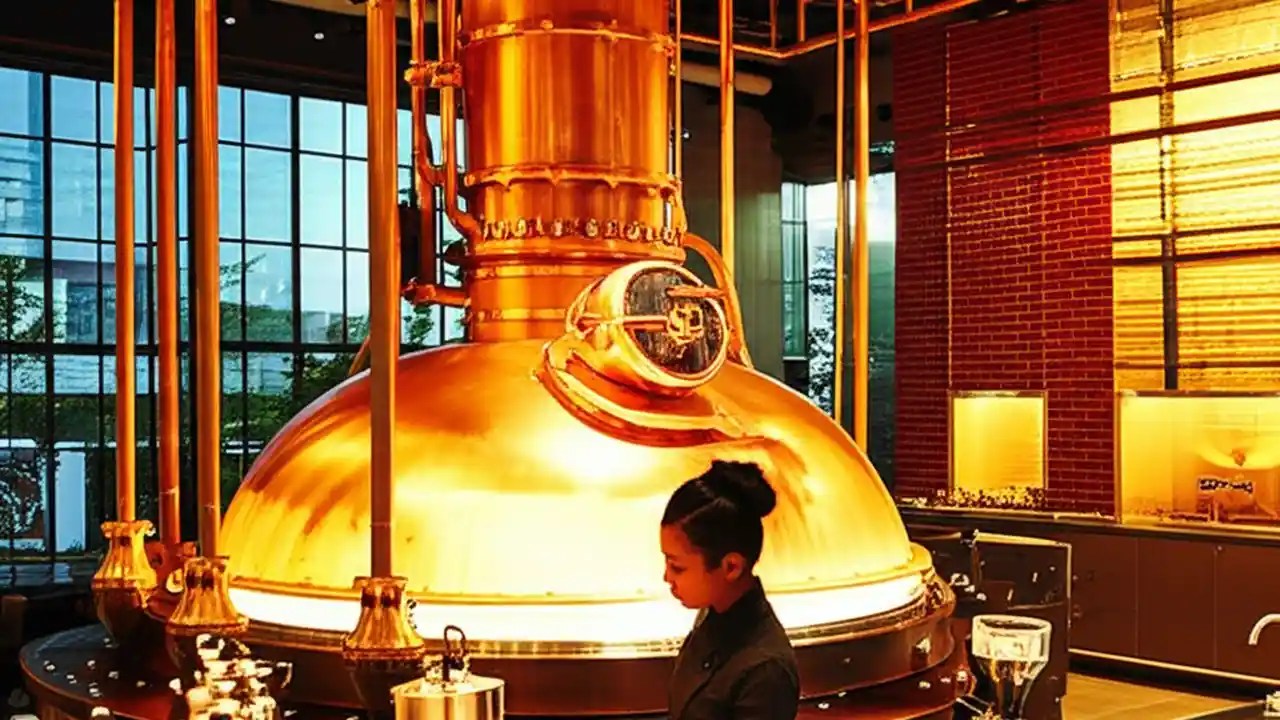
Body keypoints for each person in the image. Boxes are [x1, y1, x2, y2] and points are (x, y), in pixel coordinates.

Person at [662, 460, 800, 720]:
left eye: (677, 567)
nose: (666, 577)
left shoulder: (765, 672)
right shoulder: (711, 613)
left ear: (731, 567)